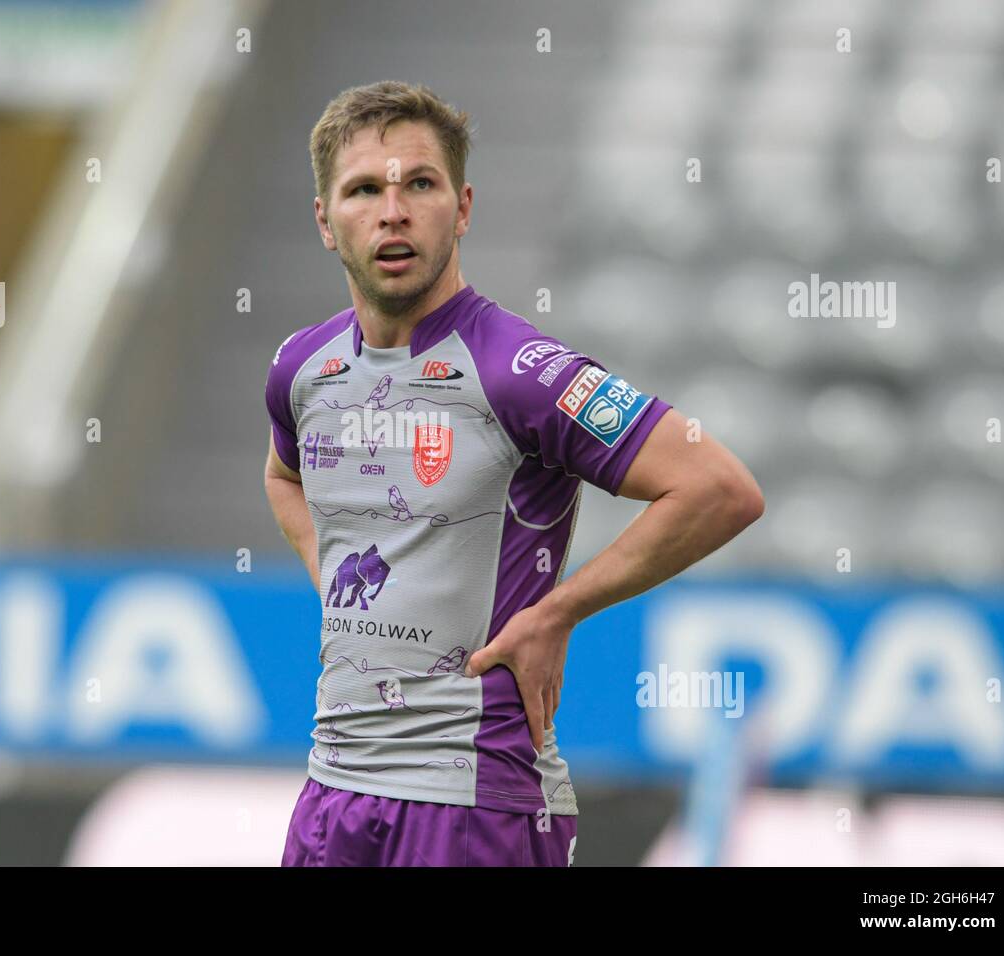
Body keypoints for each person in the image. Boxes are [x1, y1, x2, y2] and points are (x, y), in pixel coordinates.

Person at [264, 81, 763, 866]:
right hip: (332, 791)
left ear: (462, 208)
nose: (392, 211)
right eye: (364, 190)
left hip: (473, 805)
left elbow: (719, 488)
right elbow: (284, 476)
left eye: (419, 185)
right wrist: (334, 575)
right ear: (326, 221)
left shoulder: (518, 370)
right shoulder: (302, 368)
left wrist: (557, 613)